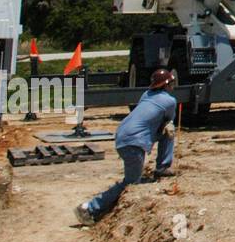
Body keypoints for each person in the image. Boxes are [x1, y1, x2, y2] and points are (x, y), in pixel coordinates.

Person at [75, 69, 177, 224]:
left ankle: (161, 168)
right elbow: (168, 122)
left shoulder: (146, 94)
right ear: (167, 84)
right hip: (133, 141)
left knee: (165, 134)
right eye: (172, 83)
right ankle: (89, 207)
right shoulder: (169, 101)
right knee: (131, 183)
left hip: (123, 134)